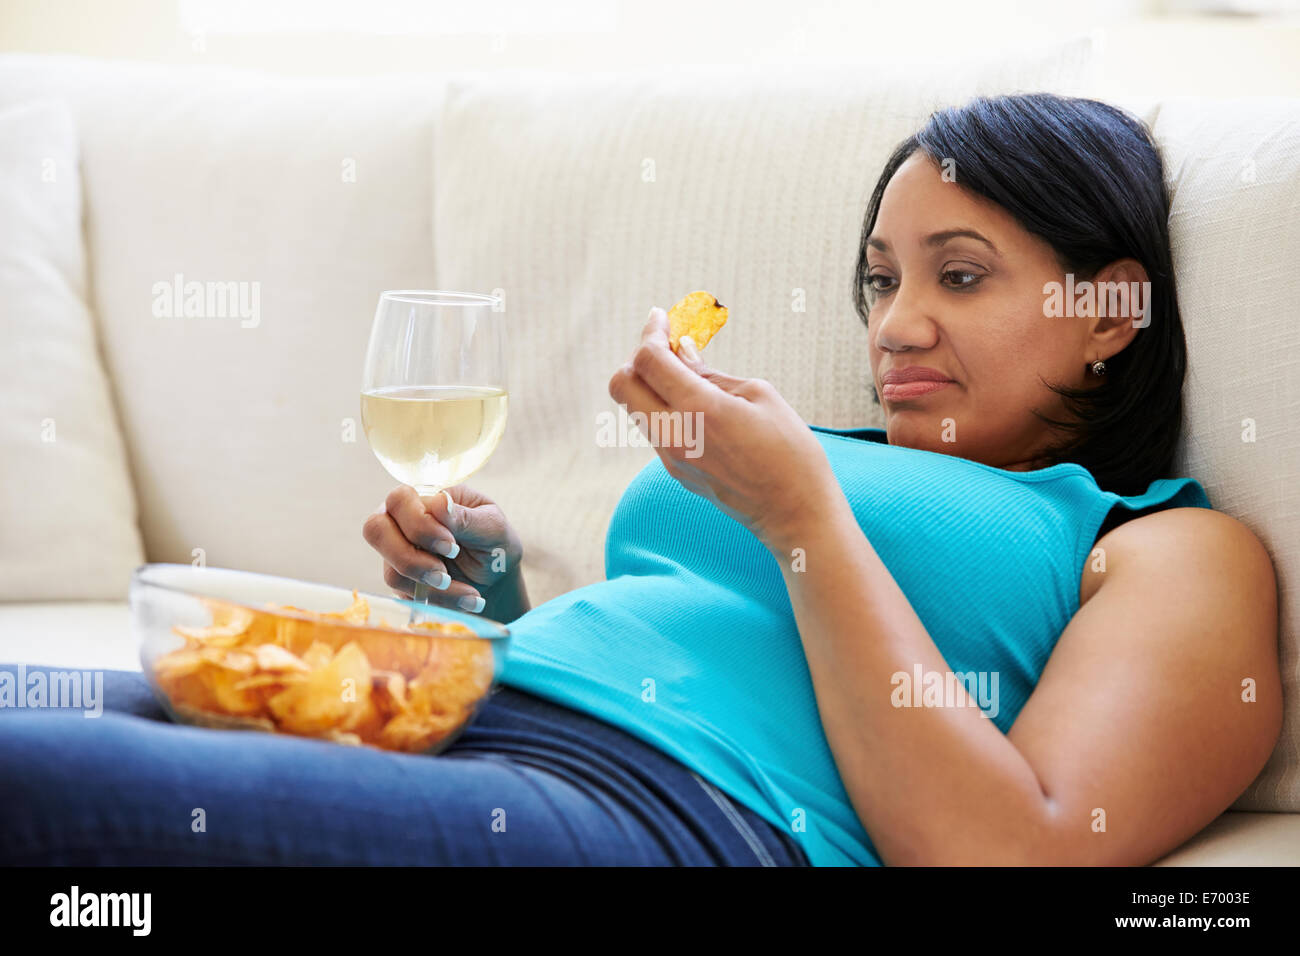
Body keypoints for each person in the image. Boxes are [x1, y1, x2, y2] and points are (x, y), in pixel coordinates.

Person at [0, 93, 1281, 867]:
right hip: (431, 706)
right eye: (880, 279)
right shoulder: (817, 451)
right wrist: (491, 599)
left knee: (35, 784)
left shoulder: (1164, 547)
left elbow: (1012, 849)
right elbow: (679, 638)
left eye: (958, 274)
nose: (893, 324)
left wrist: (799, 514)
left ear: (1107, 310)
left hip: (645, 803)